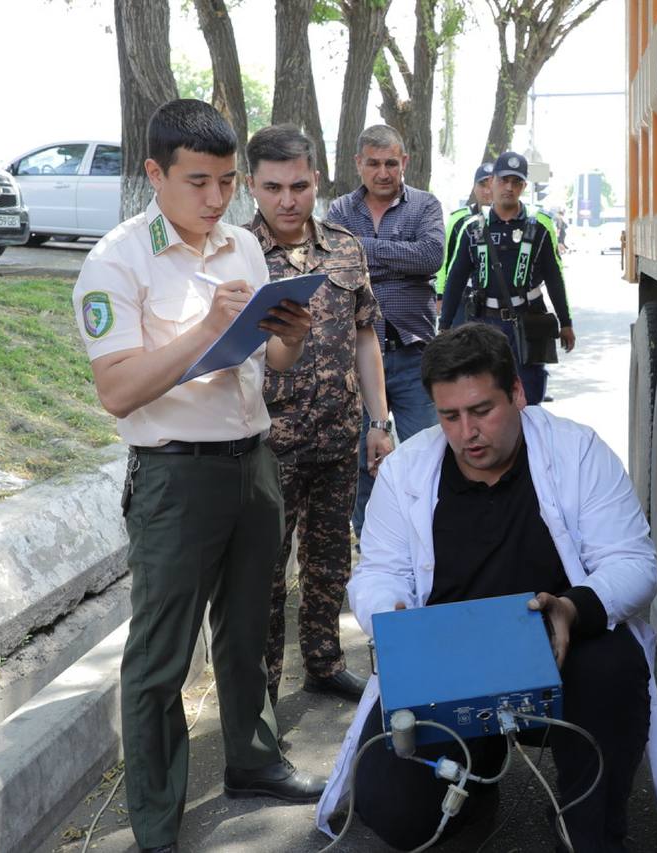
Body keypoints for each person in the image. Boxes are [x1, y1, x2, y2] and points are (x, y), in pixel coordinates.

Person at [314, 323, 657, 853]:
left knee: (614, 669)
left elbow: (633, 563)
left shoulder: (576, 452)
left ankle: (587, 829)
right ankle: (473, 786)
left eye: (482, 410)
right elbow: (377, 572)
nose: (468, 432)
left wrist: (572, 609)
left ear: (517, 392)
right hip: (447, 665)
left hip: (557, 649)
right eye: (450, 416)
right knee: (393, 811)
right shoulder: (407, 473)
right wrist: (392, 616)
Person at [72, 99, 325, 853]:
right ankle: (155, 815)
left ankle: (253, 759)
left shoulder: (241, 249)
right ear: (154, 173)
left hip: (253, 463)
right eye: (198, 182)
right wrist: (206, 327)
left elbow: (266, 363)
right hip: (174, 478)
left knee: (249, 630)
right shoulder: (116, 261)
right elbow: (117, 389)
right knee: (161, 657)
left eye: (227, 182)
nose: (216, 200)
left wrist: (291, 338)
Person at [243, 124, 393, 705]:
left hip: (337, 437)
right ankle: (262, 690)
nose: (287, 200)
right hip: (266, 446)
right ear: (252, 186)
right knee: (265, 577)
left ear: (318, 180)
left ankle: (325, 664)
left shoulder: (345, 247)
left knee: (330, 564)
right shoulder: (238, 254)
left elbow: (364, 337)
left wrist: (379, 423)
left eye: (299, 186)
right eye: (273, 187)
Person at [326, 124, 444, 539]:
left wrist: (364, 251)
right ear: (358, 163)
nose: (382, 172)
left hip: (414, 356)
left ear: (404, 163)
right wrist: (400, 258)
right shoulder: (340, 211)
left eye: (390, 163)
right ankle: (374, 540)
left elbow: (430, 256)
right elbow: (337, 266)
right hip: (357, 357)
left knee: (425, 452)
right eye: (373, 163)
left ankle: (427, 538)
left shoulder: (425, 206)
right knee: (362, 458)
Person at [440, 151, 575, 406]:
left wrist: (566, 323)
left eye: (516, 182)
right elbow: (455, 280)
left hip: (528, 325)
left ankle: (528, 445)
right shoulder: (473, 229)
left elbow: (555, 279)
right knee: (485, 397)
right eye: (504, 180)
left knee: (529, 398)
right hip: (484, 325)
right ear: (492, 182)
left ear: (524, 186)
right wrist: (444, 327)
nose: (509, 188)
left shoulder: (538, 229)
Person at [435, 162, 493, 326]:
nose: (487, 190)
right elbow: (445, 259)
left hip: (494, 299)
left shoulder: (506, 222)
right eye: (482, 184)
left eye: (491, 184)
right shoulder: (459, 218)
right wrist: (440, 295)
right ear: (474, 187)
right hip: (463, 295)